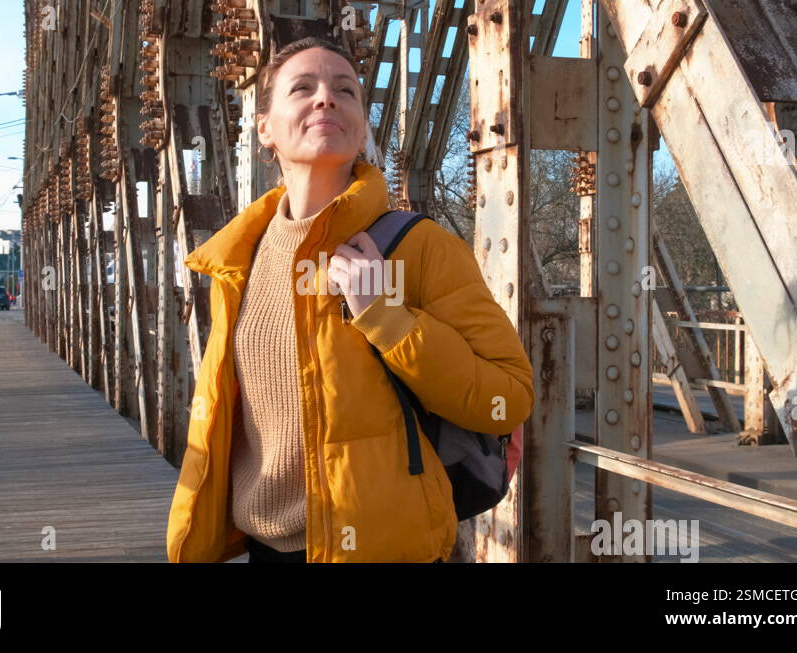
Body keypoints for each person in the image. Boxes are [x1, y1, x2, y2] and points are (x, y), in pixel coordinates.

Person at [166, 37, 534, 563]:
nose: (326, 99)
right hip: (266, 547)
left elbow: (509, 396)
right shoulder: (237, 261)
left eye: (346, 90)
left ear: (361, 127)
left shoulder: (420, 247)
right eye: (302, 88)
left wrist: (386, 318)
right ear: (264, 126)